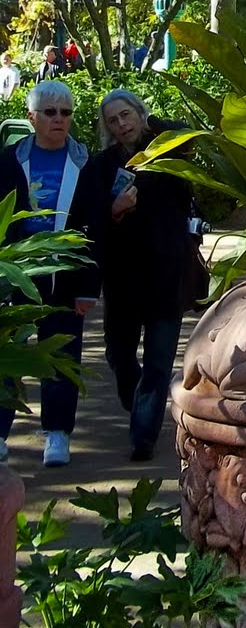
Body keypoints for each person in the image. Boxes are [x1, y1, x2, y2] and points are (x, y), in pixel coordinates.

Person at [0, 80, 107, 466]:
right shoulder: (8, 161)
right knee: (7, 353)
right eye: (50, 112)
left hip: (64, 274)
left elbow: (96, 227)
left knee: (61, 353)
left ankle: (57, 433)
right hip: (15, 273)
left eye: (66, 112)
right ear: (32, 118)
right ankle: (0, 431)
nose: (59, 119)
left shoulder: (84, 163)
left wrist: (88, 287)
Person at [95, 90, 194, 463]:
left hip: (167, 274)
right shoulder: (103, 165)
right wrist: (114, 209)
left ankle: (143, 437)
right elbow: (89, 217)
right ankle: (139, 403)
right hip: (122, 280)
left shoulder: (168, 152)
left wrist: (153, 125)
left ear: (140, 113)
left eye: (127, 115)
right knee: (120, 357)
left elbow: (187, 133)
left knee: (158, 361)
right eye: (113, 121)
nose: (122, 125)